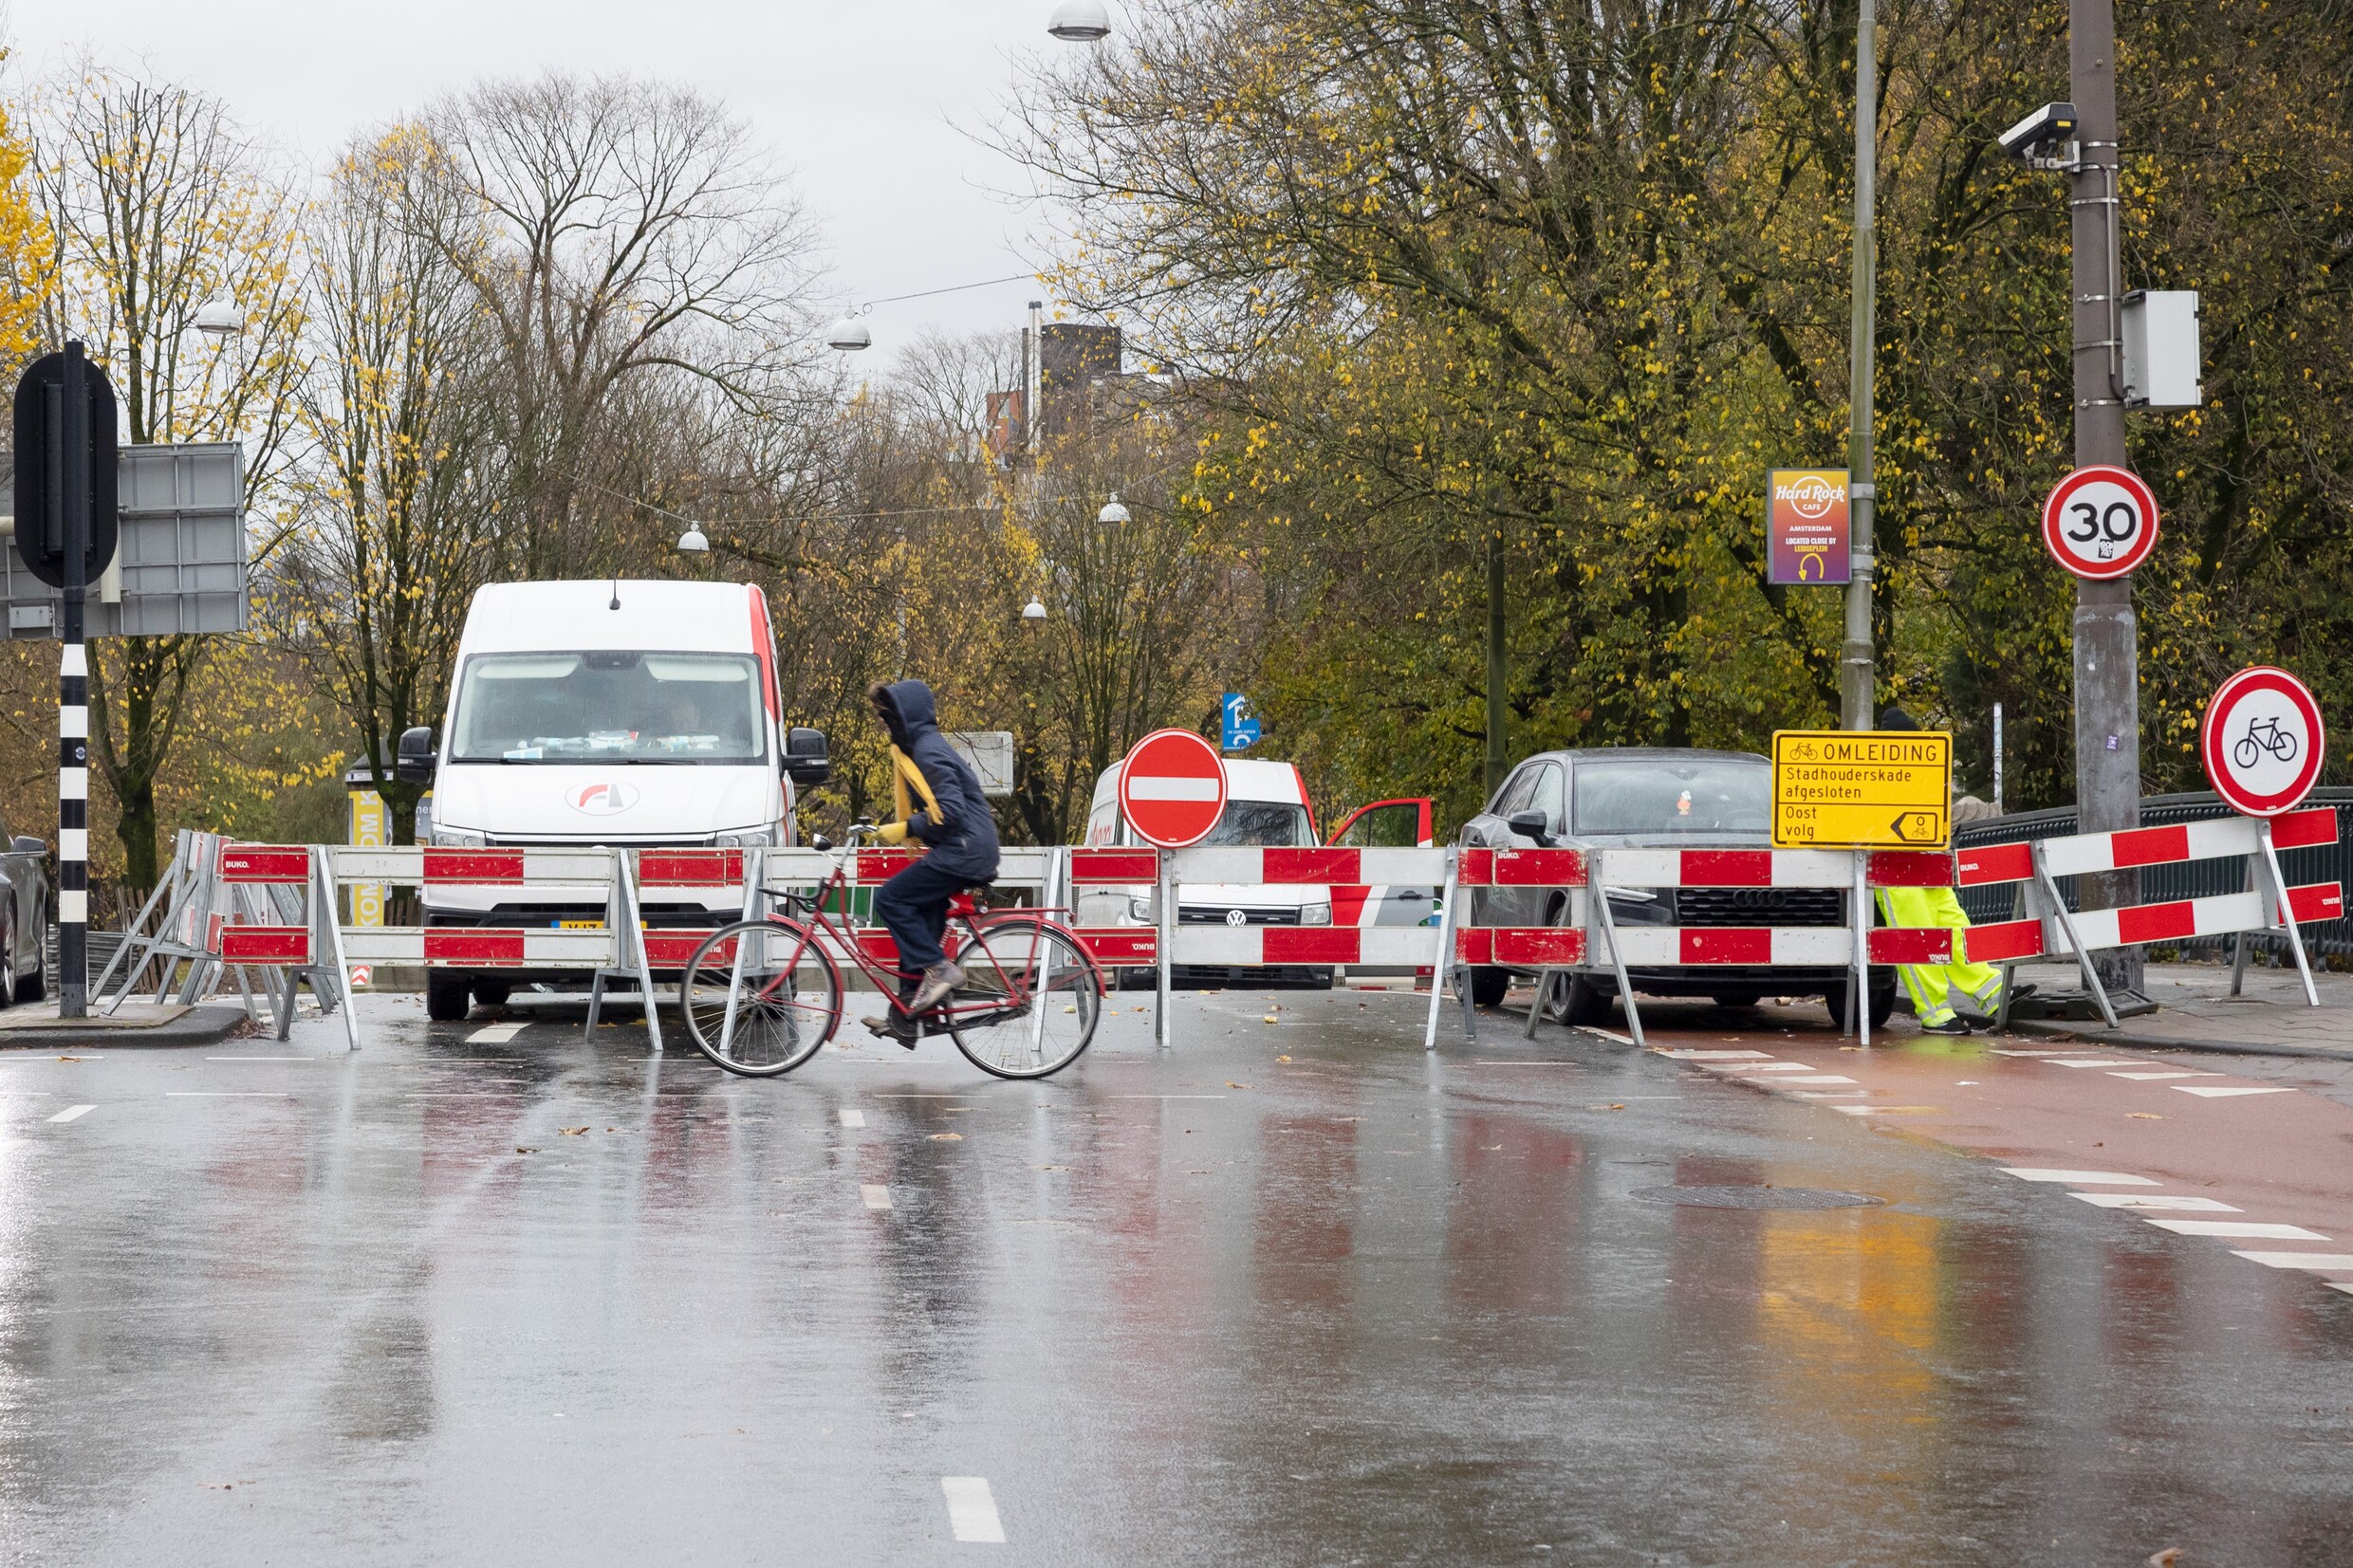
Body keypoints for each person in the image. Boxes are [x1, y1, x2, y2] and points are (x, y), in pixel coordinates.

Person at [1873, 705, 2030, 1033]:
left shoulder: (1919, 775)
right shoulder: (1878, 777)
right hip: (1894, 872)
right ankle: (1934, 1013)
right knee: (1917, 940)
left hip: (1930, 865)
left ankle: (1992, 992)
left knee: (1957, 931)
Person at [861, 679, 1001, 1044]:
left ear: (906, 717)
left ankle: (940, 970)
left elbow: (950, 813)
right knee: (919, 918)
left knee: (891, 898)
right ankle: (911, 1015)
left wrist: (905, 827)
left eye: (888, 717)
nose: (884, 725)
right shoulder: (922, 749)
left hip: (964, 850)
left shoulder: (928, 752)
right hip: (964, 848)